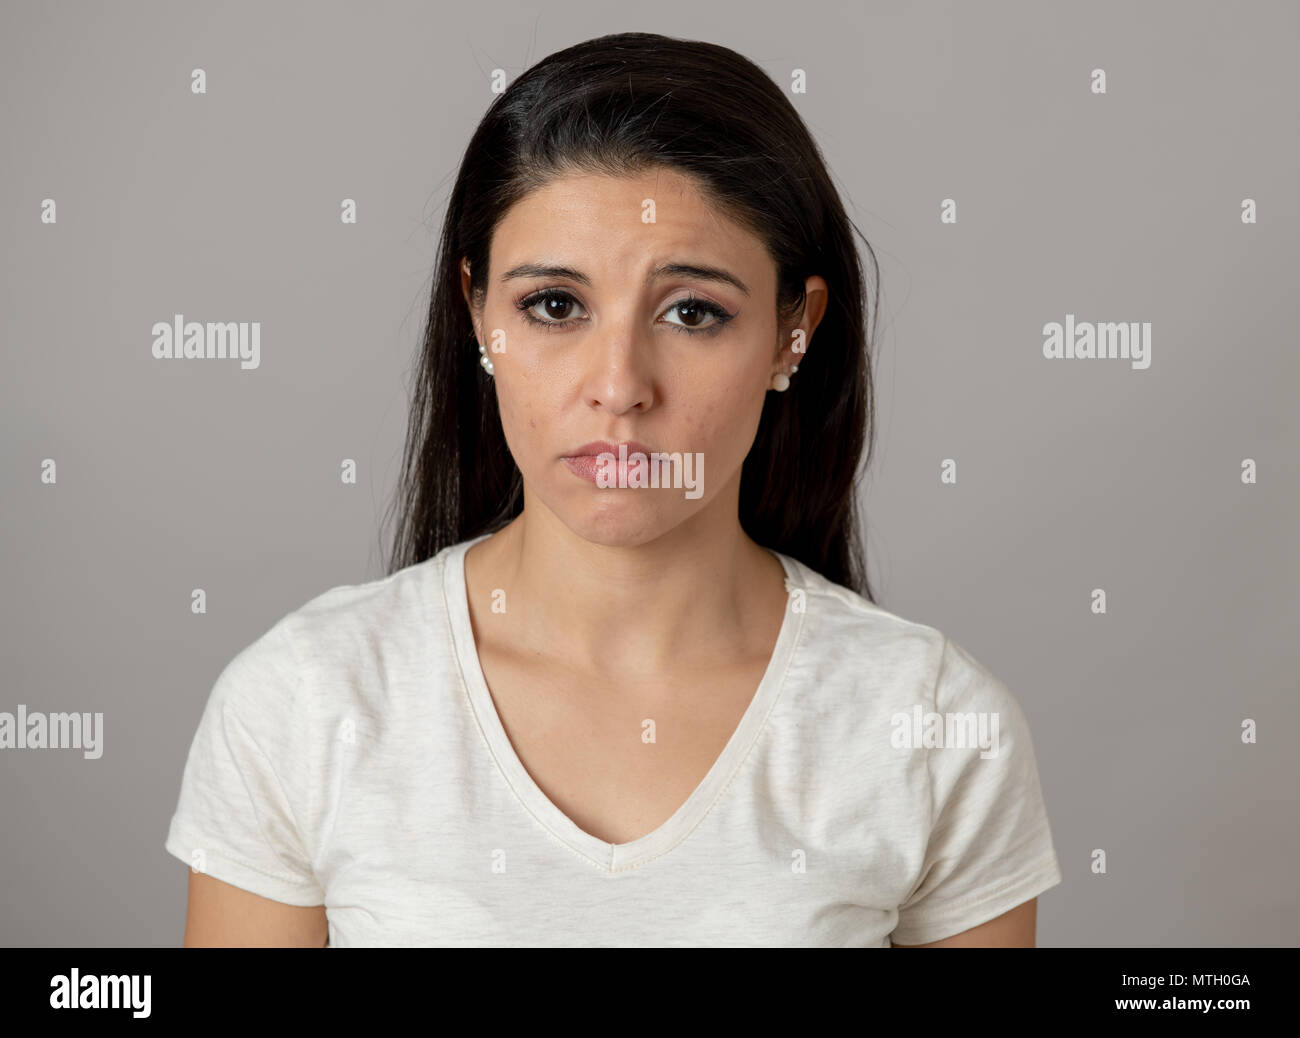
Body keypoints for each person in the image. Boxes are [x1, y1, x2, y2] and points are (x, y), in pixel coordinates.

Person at [165, 31, 1062, 947]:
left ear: (794, 329)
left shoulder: (935, 726)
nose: (621, 384)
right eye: (554, 306)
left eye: (692, 312)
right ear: (477, 313)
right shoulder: (304, 702)